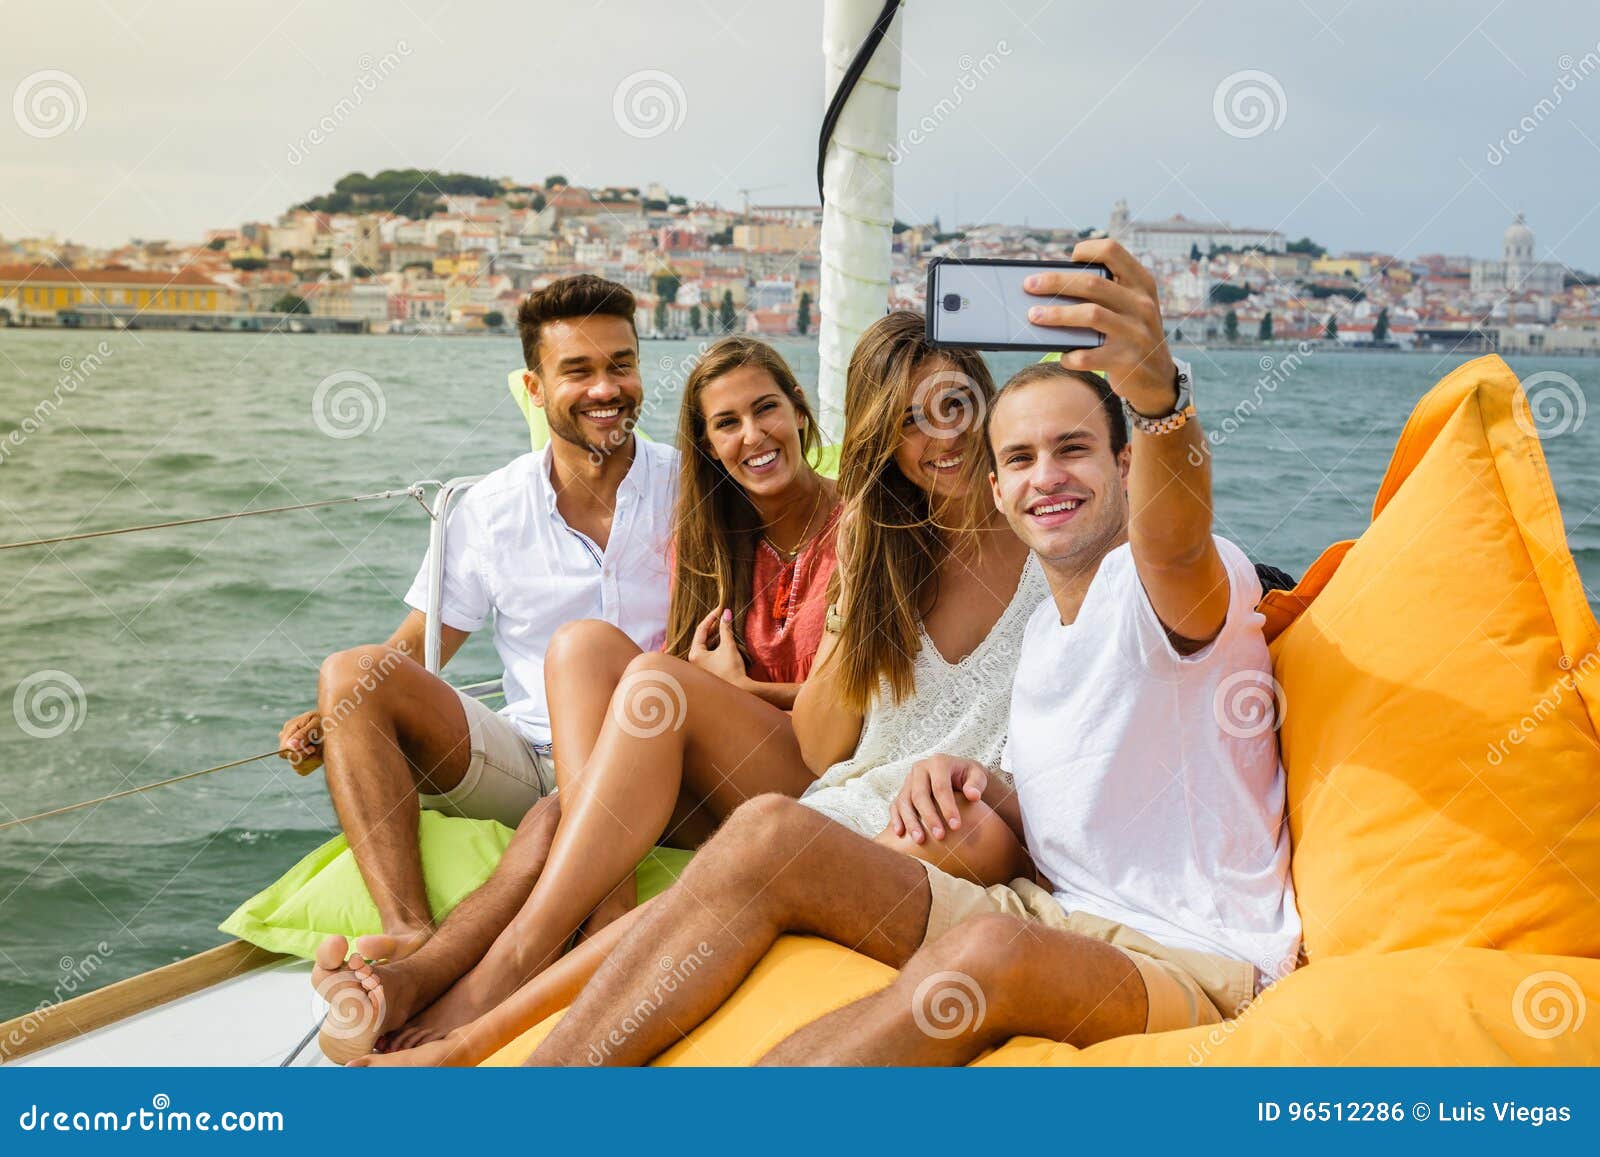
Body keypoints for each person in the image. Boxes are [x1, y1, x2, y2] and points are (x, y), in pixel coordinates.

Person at [516, 239, 1301, 1068]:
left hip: (1195, 957)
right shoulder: (1041, 641)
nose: (1045, 479)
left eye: (1072, 450)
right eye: (1021, 460)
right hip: (1054, 905)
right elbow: (1066, 801)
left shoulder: (1162, 588)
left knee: (985, 955)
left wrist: (1155, 393)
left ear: (1127, 462)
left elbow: (1177, 544)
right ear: (996, 488)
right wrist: (975, 782)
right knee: (765, 832)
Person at [340, 310, 1051, 1066]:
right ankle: (479, 985)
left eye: (953, 406)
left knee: (733, 846)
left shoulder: (1052, 527)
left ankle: (487, 1007)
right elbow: (826, 739)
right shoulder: (872, 543)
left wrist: (745, 683)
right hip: (850, 784)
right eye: (907, 421)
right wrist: (862, 585)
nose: (939, 435)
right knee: (575, 795)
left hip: (953, 811)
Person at [310, 336, 841, 1061]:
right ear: (708, 448)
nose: (752, 436)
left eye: (766, 410)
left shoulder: (862, 526)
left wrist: (740, 687)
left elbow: (861, 707)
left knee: (607, 741)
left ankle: (505, 968)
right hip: (705, 778)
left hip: (818, 770)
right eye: (726, 424)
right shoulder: (717, 532)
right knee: (581, 648)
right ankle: (515, 933)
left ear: (801, 412)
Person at [275, 274, 676, 963]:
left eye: (622, 364)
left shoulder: (693, 485)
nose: (607, 389)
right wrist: (332, 714)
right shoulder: (489, 509)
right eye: (577, 371)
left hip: (663, 764)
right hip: (532, 761)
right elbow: (411, 652)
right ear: (534, 389)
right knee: (350, 672)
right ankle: (407, 930)